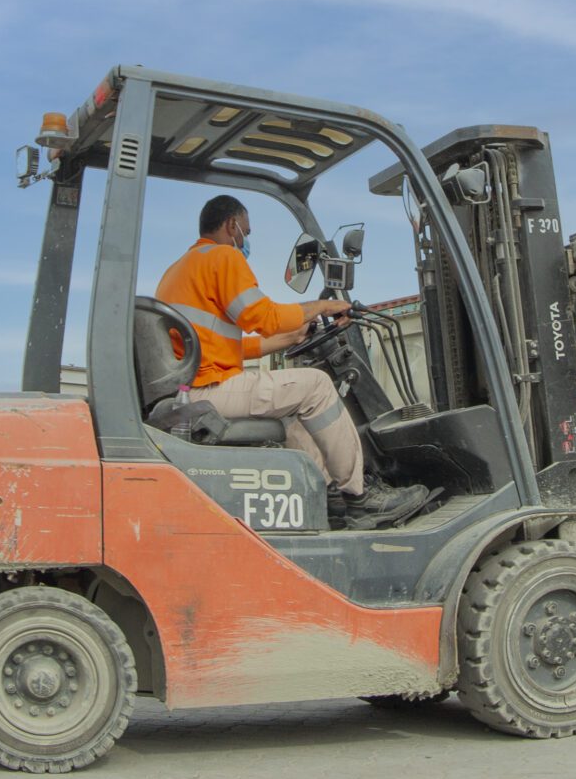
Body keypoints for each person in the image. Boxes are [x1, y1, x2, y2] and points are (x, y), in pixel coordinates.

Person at [155, 195, 433, 530]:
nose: (246, 239)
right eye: (246, 231)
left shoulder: (178, 270)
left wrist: (291, 338)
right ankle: (360, 498)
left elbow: (228, 346)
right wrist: (321, 307)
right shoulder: (223, 256)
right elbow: (264, 317)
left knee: (295, 406)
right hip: (208, 389)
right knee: (317, 385)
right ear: (232, 225)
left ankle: (327, 496)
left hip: (190, 390)